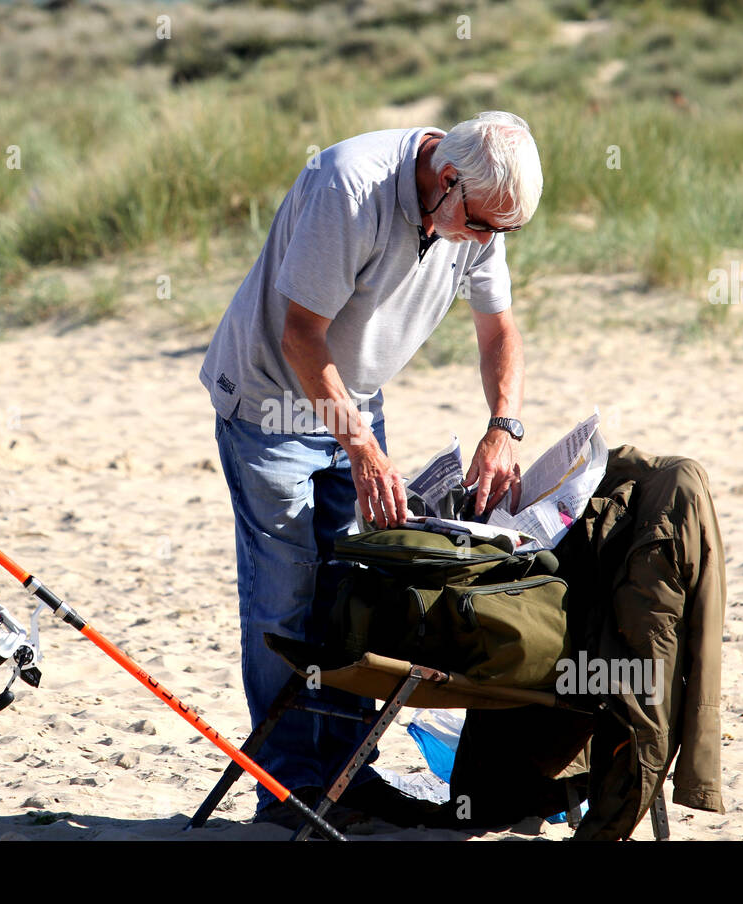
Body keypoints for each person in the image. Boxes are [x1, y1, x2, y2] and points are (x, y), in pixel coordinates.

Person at [200, 111, 543, 827]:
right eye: (483, 227)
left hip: (350, 402)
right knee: (286, 598)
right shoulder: (349, 185)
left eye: (500, 233)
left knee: (360, 588)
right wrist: (361, 447)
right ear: (447, 183)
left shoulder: (479, 211)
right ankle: (289, 792)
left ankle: (348, 779)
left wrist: (503, 425)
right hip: (268, 406)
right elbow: (301, 332)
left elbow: (498, 326)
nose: (488, 244)